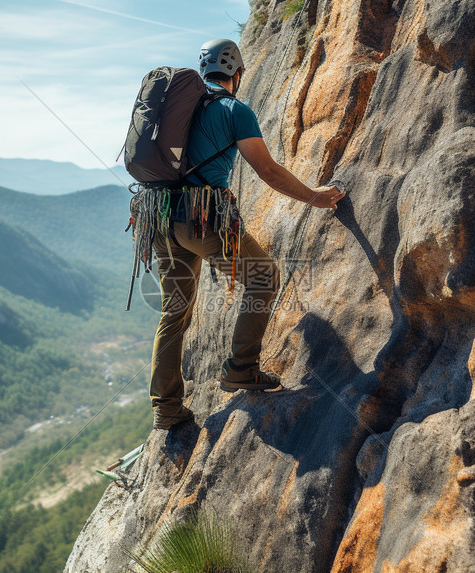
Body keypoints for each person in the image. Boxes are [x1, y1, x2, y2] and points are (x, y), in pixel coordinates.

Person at [150, 38, 345, 430]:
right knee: (263, 278)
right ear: (236, 73)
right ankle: (241, 368)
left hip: (158, 216)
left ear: (203, 71)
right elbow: (268, 172)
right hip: (201, 217)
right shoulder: (233, 109)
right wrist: (314, 197)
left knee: (174, 312)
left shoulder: (176, 108)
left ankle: (166, 410)